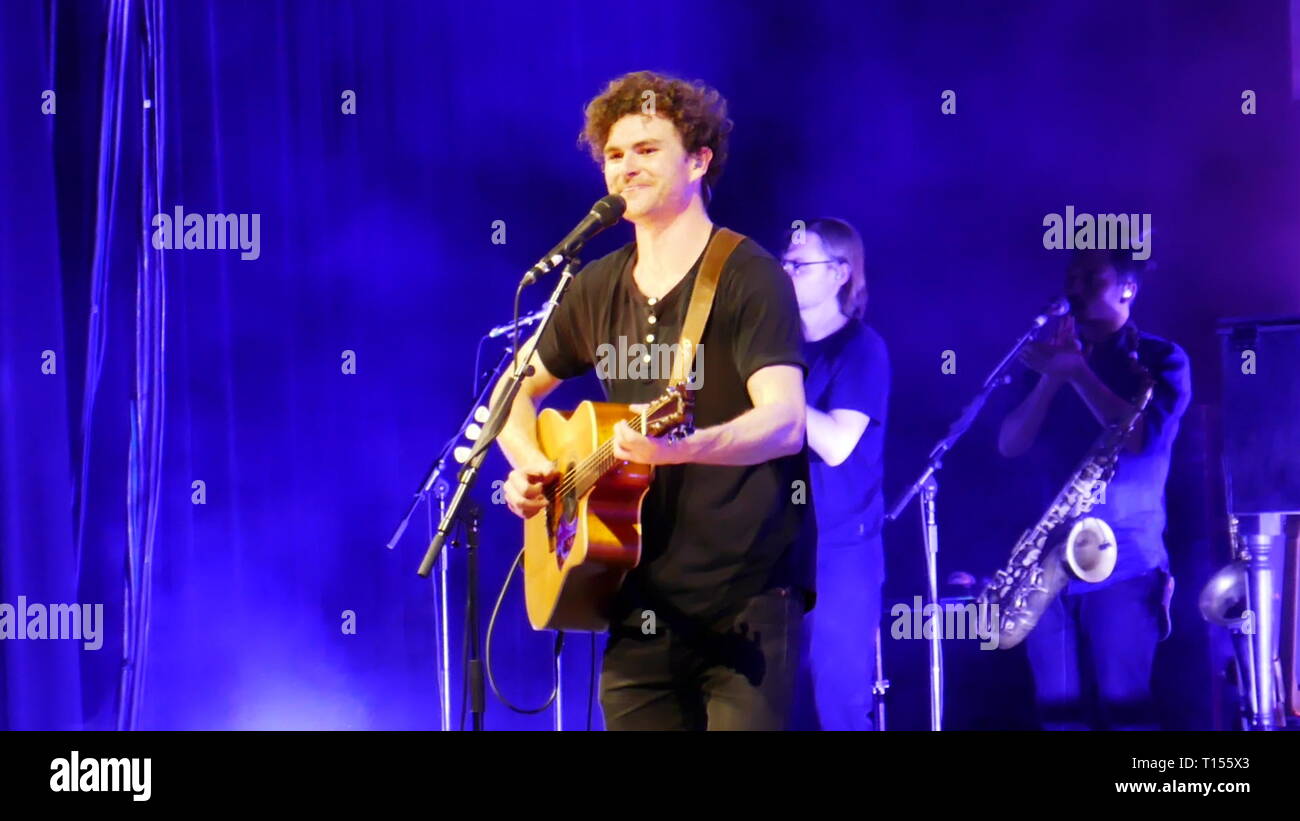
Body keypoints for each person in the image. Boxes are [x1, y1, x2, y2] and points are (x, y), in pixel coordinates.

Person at [493, 71, 815, 730]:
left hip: (745, 596)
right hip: (636, 597)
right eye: (614, 154)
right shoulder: (593, 287)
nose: (626, 167)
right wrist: (531, 465)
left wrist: (679, 447)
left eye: (647, 149)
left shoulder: (750, 275)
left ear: (699, 161)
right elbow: (509, 393)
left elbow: (784, 422)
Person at [998, 248, 1191, 730]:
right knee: (1057, 713)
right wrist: (1050, 379)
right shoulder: (1053, 358)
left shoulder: (1162, 357)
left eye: (1091, 278)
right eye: (1071, 276)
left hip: (1124, 557)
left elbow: (1143, 442)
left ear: (1128, 288)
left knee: (1127, 711)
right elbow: (1010, 444)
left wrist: (1077, 372)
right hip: (1048, 556)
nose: (1074, 287)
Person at [781, 218, 889, 731]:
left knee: (840, 704)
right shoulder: (776, 347)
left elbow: (838, 442)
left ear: (840, 273)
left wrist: (771, 390)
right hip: (776, 549)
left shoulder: (861, 350)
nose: (786, 271)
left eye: (800, 264)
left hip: (841, 552)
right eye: (785, 262)